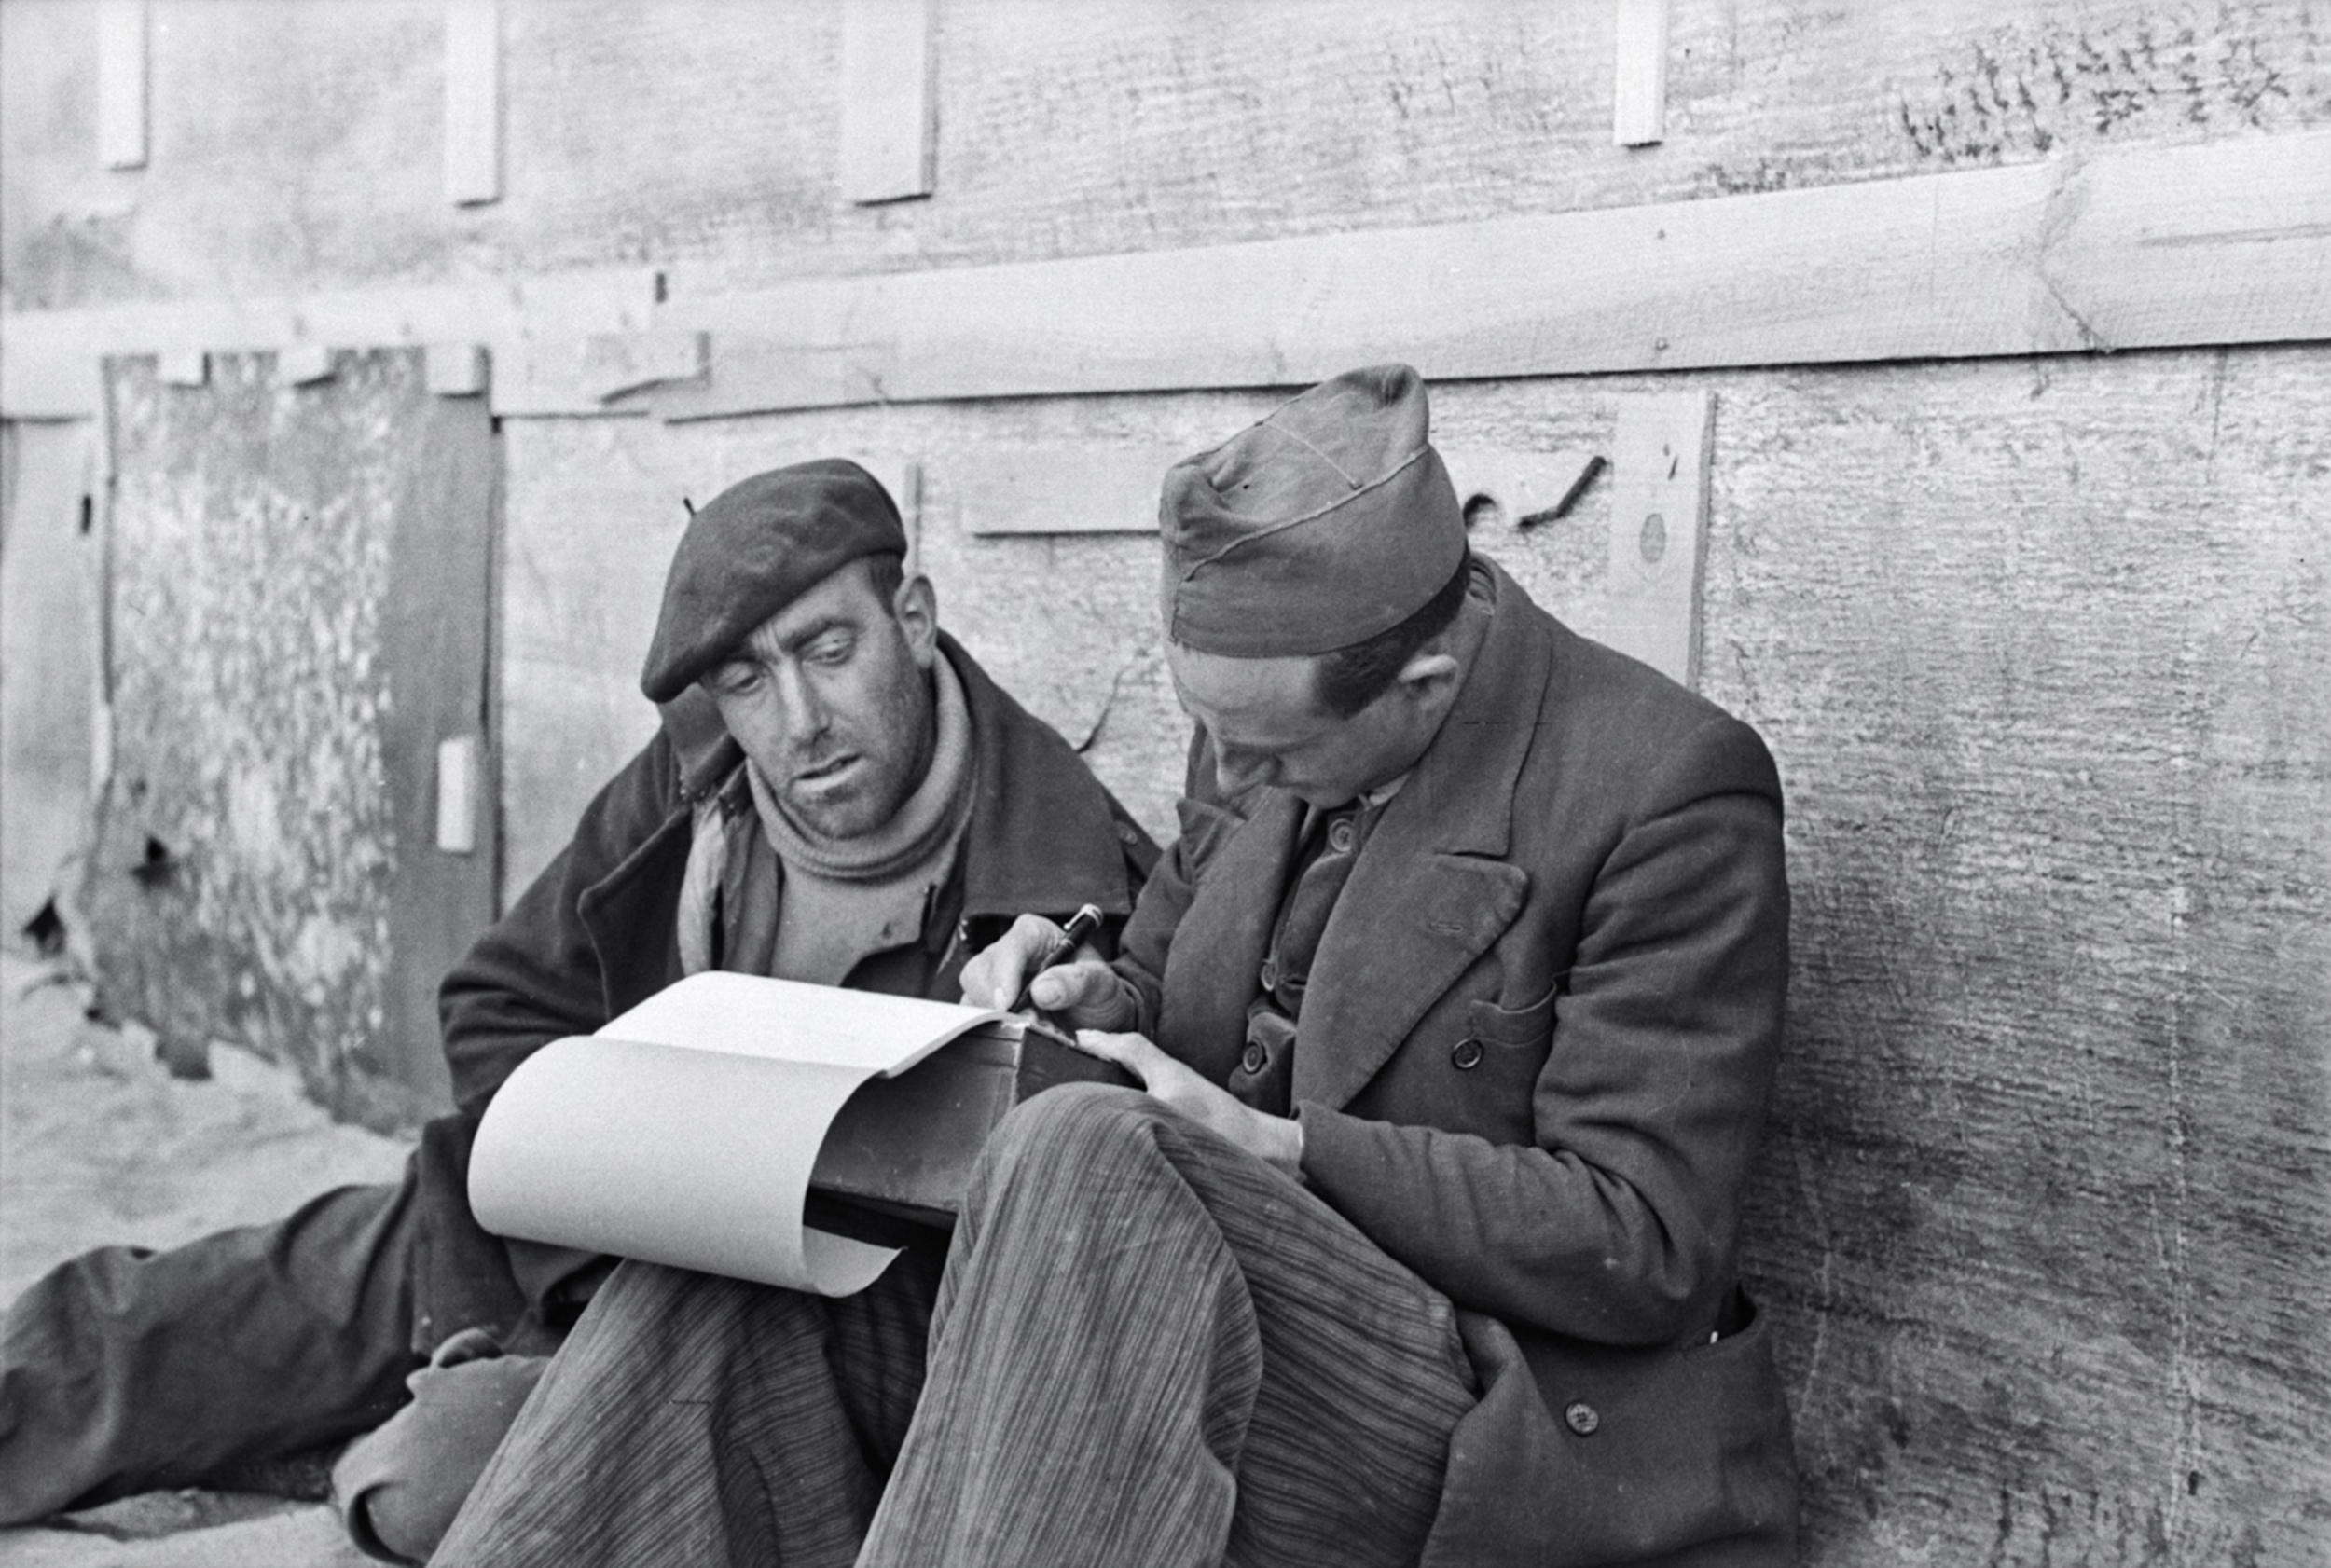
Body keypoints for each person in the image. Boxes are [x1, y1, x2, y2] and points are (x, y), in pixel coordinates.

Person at [429, 365, 1800, 1567]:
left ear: (1423, 690)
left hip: (1479, 1405)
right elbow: (1165, 976)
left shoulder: (1662, 789)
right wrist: (1084, 980)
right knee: (757, 1247)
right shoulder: (1258, 712)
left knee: (1089, 1154)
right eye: (1213, 739)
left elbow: (1649, 1242)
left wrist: (1280, 1148)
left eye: (1267, 756)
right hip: (1192, 1321)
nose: (1236, 778)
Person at [0, 460, 1158, 1562]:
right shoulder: (697, 780)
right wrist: (604, 1161)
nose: (798, 719)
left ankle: (402, 1419)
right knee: (178, 1318)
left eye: (829, 648)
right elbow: (499, 1002)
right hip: (578, 1226)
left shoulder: (1065, 887)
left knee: (431, 1484)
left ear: (911, 615)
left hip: (761, 1327)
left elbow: (1059, 1256)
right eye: (748, 679)